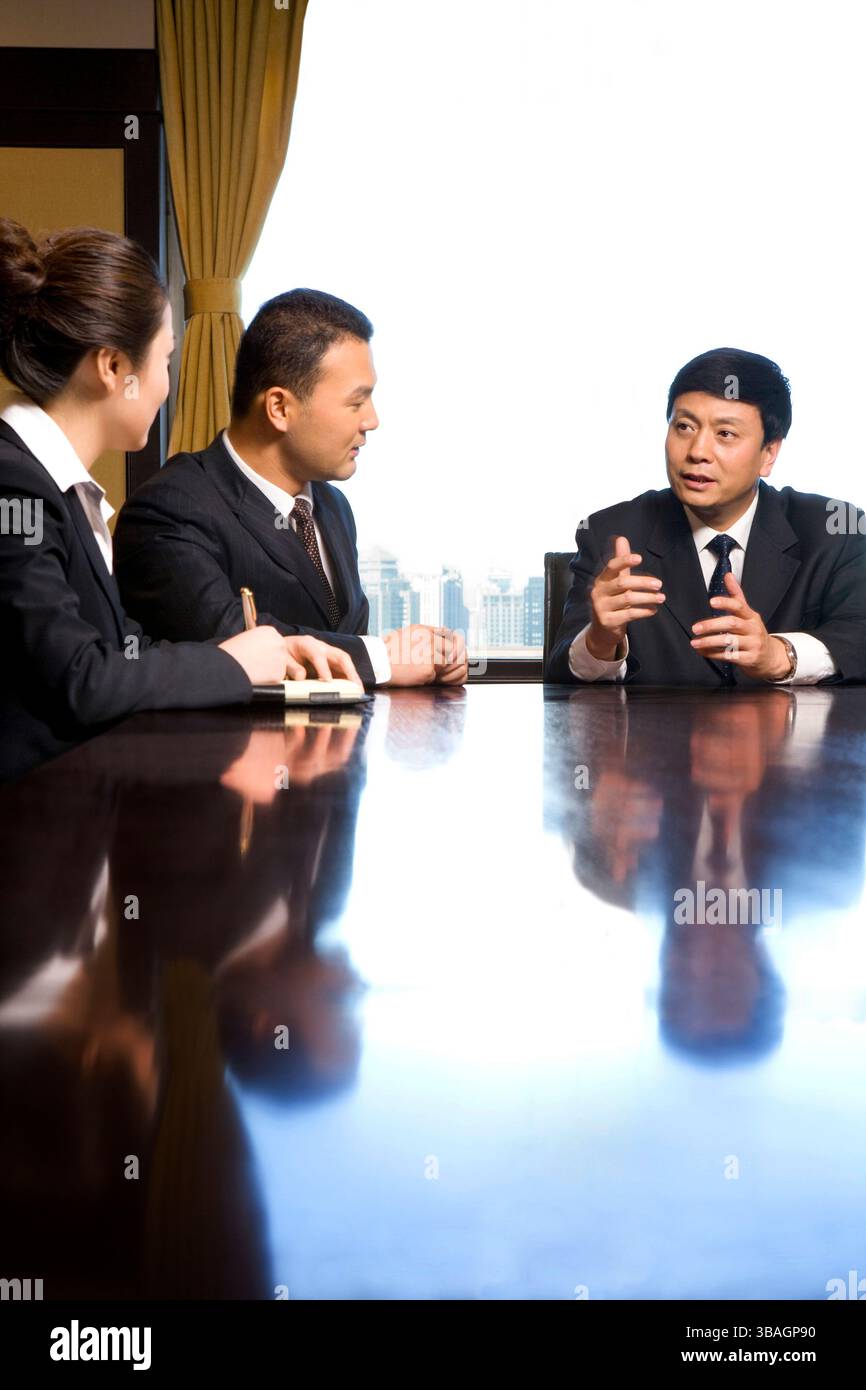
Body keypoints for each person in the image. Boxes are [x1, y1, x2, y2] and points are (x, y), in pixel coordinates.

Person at [0, 221, 359, 782]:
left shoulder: (55, 488)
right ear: (114, 368)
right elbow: (83, 679)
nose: (168, 384)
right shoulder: (14, 484)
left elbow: (122, 651)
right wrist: (232, 662)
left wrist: (269, 652)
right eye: (165, 360)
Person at [112, 289, 468, 688]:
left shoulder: (333, 507)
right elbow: (234, 642)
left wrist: (427, 656)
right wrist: (383, 659)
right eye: (356, 402)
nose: (372, 420)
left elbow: (342, 636)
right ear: (279, 408)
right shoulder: (169, 508)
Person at [546, 347, 866, 685]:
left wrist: (780, 655)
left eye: (725, 434)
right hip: (655, 737)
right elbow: (563, 673)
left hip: (793, 737)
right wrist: (600, 639)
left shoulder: (834, 531)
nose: (697, 451)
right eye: (684, 426)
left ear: (768, 453)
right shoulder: (612, 533)